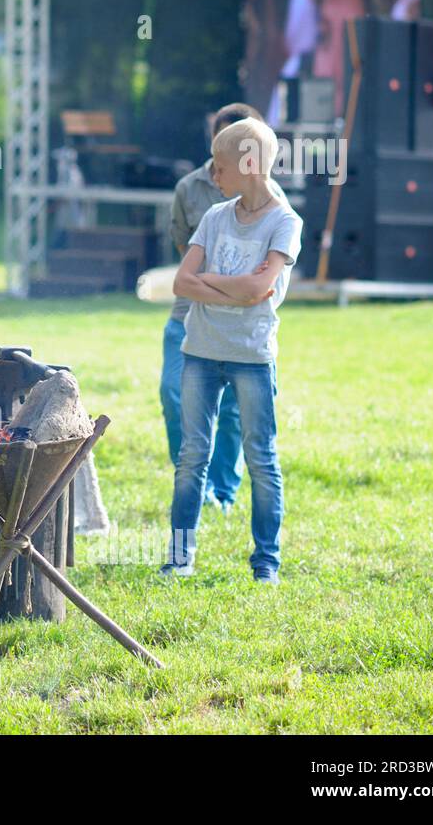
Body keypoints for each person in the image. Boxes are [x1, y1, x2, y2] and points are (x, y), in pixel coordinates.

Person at [163, 116, 302, 584]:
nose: (212, 175)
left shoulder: (285, 222)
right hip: (200, 351)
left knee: (261, 458)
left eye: (219, 166)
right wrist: (236, 287)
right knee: (191, 458)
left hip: (252, 357)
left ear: (247, 164)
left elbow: (262, 288)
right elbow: (182, 282)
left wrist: (215, 284)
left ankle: (266, 563)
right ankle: (179, 558)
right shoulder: (214, 217)